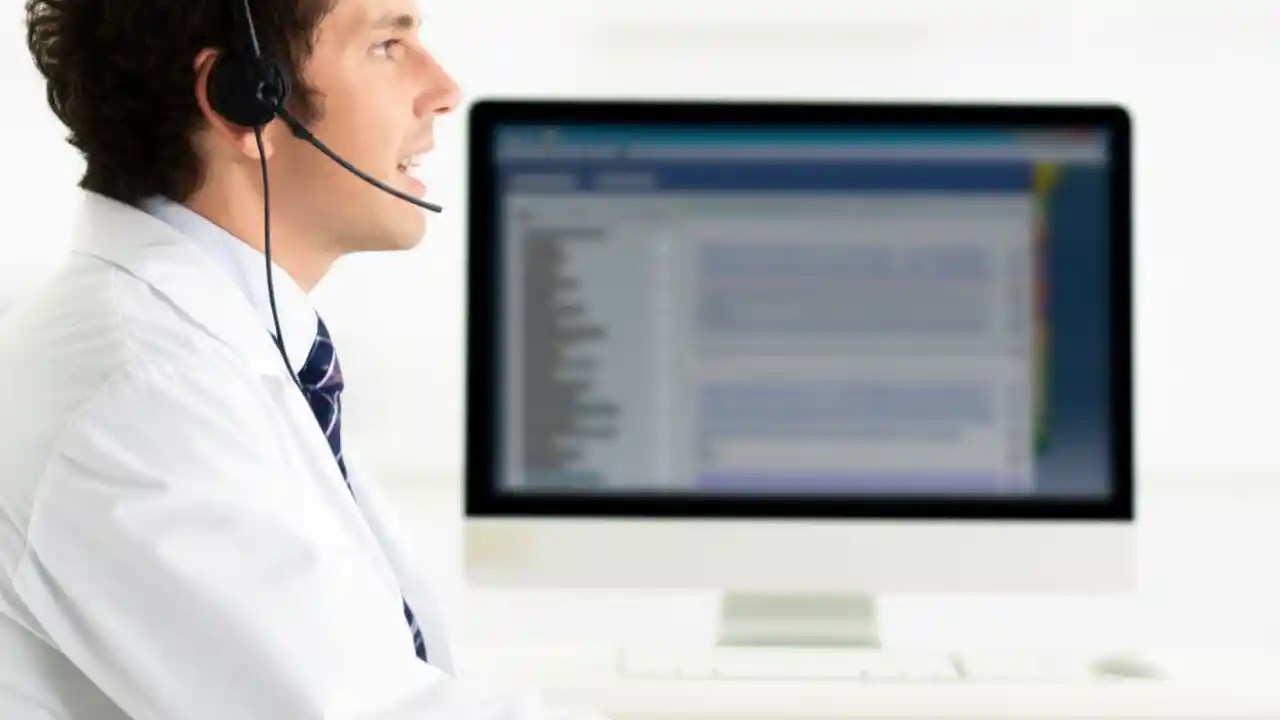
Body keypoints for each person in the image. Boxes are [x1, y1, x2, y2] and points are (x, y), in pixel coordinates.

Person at [0, 1, 603, 717]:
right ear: (245, 99)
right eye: (386, 44)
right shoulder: (140, 396)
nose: (443, 87)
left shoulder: (220, 346)